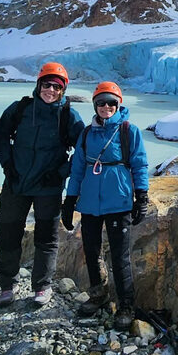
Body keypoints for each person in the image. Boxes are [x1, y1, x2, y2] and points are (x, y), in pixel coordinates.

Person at [0, 62, 84, 307]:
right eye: (47, 84)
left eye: (57, 86)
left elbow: (85, 149)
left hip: (49, 187)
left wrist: (61, 173)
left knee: (46, 238)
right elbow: (0, 137)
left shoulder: (68, 115)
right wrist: (7, 164)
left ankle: (42, 286)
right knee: (8, 233)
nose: (51, 90)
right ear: (39, 84)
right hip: (16, 183)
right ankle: (7, 285)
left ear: (63, 90)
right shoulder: (20, 108)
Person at [61, 81, 149, 330]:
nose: (106, 106)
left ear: (118, 104)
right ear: (95, 105)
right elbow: (77, 167)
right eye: (101, 102)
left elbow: (140, 163)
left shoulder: (128, 130)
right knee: (91, 250)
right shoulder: (87, 133)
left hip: (118, 201)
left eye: (111, 102)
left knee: (120, 257)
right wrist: (70, 200)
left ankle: (125, 305)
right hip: (89, 202)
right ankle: (98, 294)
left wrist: (141, 196)